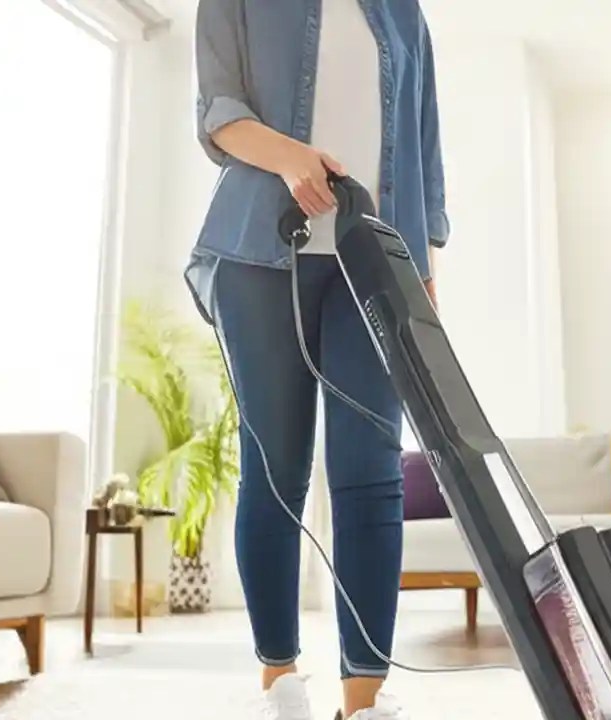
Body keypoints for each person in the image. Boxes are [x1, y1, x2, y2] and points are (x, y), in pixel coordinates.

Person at [185, 1, 449, 718]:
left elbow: (423, 140)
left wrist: (423, 270)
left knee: (371, 474)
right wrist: (291, 156)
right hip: (260, 253)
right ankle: (281, 684)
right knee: (276, 470)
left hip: (375, 261)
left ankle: (363, 699)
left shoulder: (402, 11)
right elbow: (219, 109)